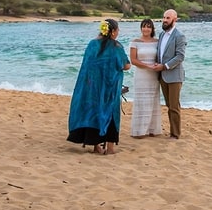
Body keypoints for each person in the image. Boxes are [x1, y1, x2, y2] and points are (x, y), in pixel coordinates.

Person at [67, 18, 131, 155]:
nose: (118, 32)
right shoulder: (116, 47)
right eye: (117, 30)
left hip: (92, 88)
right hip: (110, 88)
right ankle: (110, 148)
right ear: (112, 31)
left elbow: (87, 66)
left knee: (94, 113)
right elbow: (126, 65)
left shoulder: (92, 44)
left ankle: (96, 146)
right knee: (111, 114)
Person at [152, 8, 186, 138]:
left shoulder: (179, 36)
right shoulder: (161, 35)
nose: (165, 20)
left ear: (175, 19)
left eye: (168, 18)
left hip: (174, 76)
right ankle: (172, 131)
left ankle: (175, 134)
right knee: (168, 105)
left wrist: (164, 66)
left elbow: (180, 57)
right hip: (162, 76)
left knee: (174, 106)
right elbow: (160, 54)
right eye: (164, 17)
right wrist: (156, 64)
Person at [128, 18, 164, 137]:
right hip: (141, 75)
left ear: (152, 29)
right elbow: (133, 60)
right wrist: (147, 66)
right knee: (141, 101)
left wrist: (159, 66)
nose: (146, 29)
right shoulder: (135, 42)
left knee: (152, 101)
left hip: (154, 74)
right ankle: (139, 130)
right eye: (144, 26)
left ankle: (152, 129)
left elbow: (161, 56)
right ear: (141, 28)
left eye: (148, 26)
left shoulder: (157, 42)